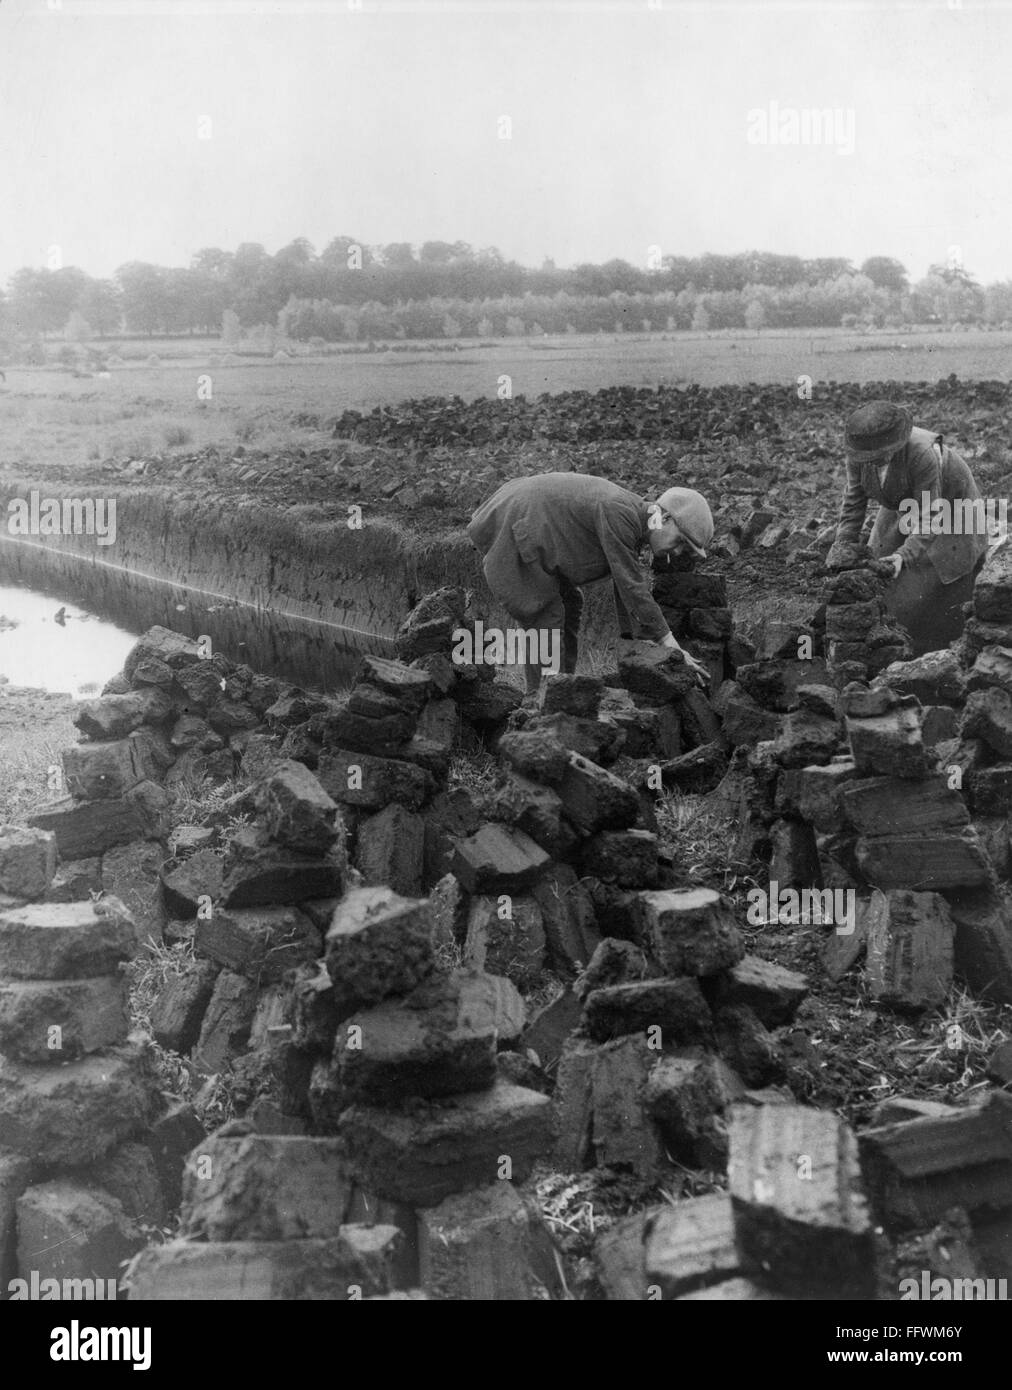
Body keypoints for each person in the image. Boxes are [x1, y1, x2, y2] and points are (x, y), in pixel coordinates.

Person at [467, 471, 714, 693]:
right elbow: (631, 584)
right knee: (546, 617)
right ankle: (540, 703)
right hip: (518, 524)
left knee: (571, 602)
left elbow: (624, 587)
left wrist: (637, 643)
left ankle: (565, 688)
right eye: (680, 541)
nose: (678, 552)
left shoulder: (638, 519)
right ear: (665, 518)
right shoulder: (621, 512)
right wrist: (671, 645)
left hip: (533, 526)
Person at [827, 400, 994, 654]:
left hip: (949, 504)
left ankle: (942, 647)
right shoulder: (859, 455)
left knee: (941, 570)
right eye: (869, 458)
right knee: (880, 565)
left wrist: (904, 555)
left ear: (896, 443)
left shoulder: (922, 453)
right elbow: (853, 501)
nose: (875, 461)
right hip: (900, 500)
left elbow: (931, 515)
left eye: (881, 455)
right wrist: (843, 546)